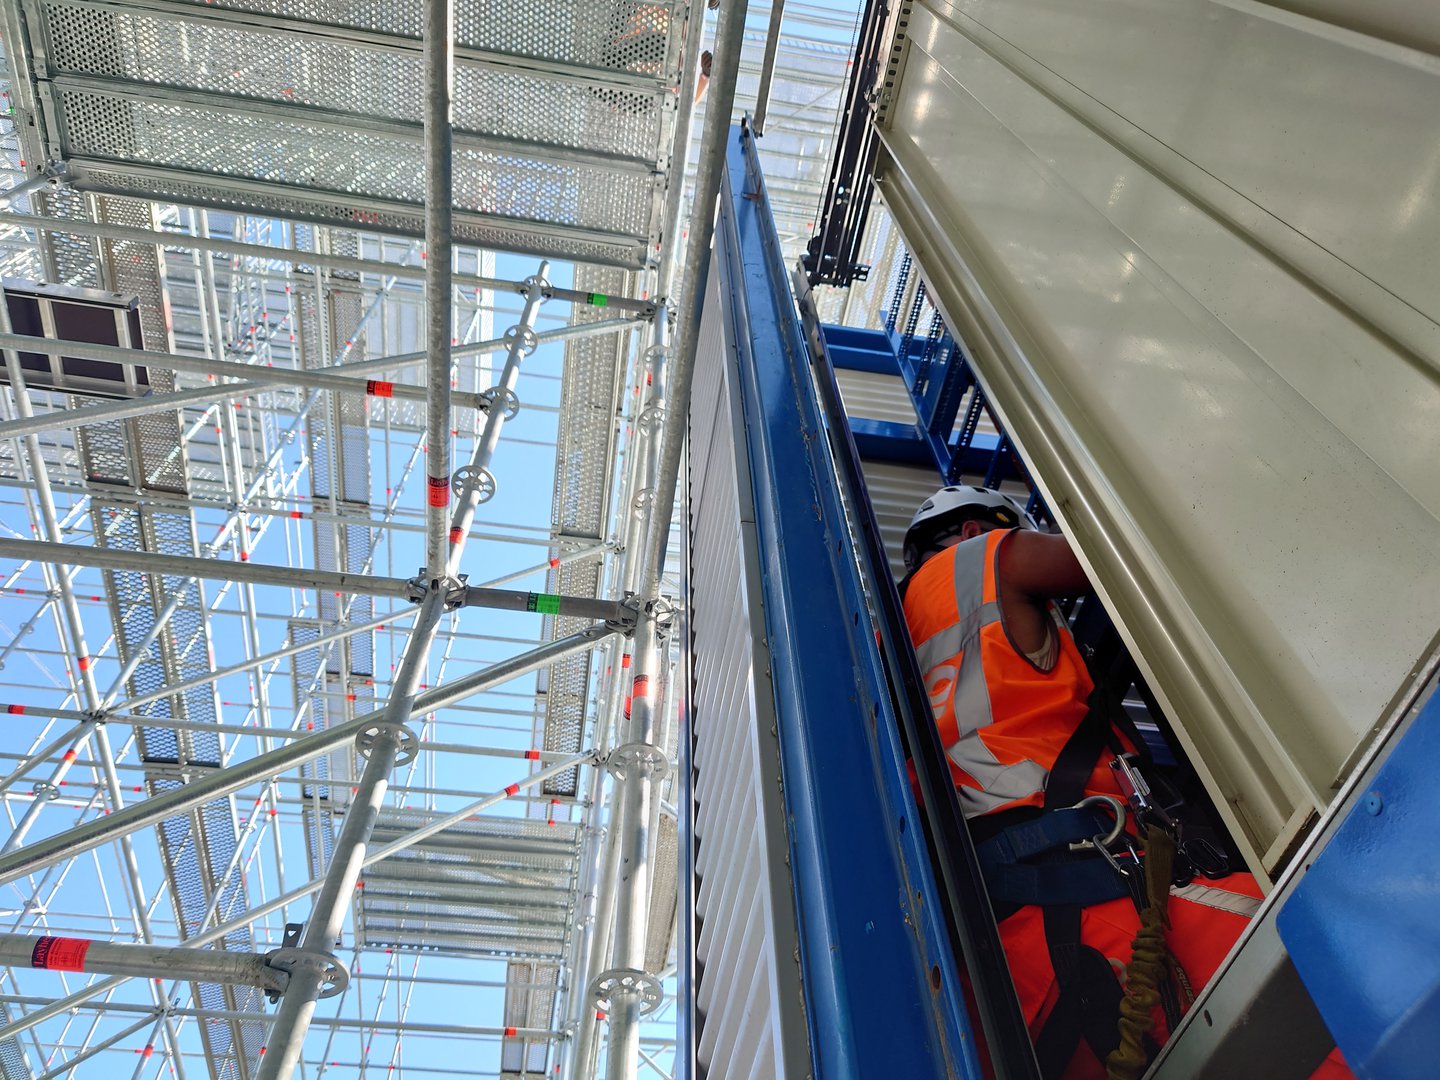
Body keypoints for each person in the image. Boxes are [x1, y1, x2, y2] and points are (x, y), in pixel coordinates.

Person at [900, 485, 1284, 1079]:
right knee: (1329, 982)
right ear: (977, 530)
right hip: (1102, 900)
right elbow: (1118, 558)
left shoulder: (885, 648)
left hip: (1011, 961)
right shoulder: (982, 559)